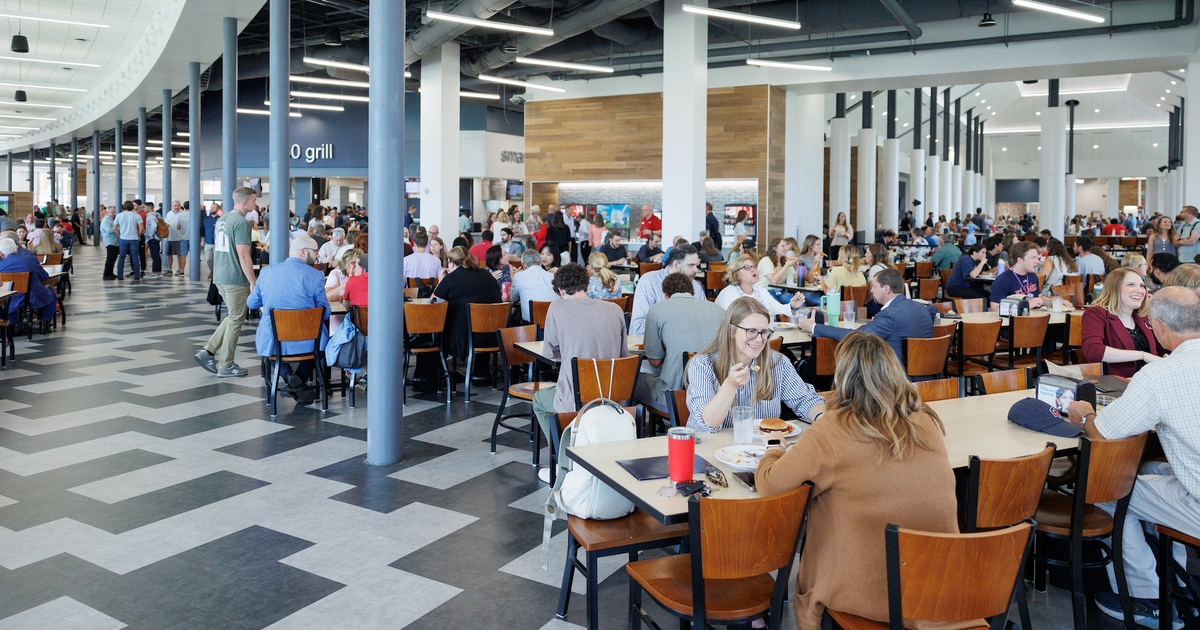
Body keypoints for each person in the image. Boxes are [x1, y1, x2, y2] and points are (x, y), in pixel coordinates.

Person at [756, 331, 958, 630]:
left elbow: (770, 485)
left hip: (865, 594)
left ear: (840, 379)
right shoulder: (925, 420)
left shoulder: (833, 429)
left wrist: (774, 449)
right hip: (940, 589)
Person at [1064, 286, 1200, 630]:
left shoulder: (1160, 375)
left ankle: (1146, 596)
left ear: (1160, 328)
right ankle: (1177, 576)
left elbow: (1103, 434)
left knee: (1106, 488)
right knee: (1152, 467)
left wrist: (1084, 414)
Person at [532, 262, 629, 482]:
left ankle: (565, 463)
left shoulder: (557, 308)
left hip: (577, 399)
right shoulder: (615, 309)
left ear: (561, 290)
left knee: (539, 400)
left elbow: (551, 353)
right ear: (586, 284)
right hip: (613, 397)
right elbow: (623, 355)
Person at [685, 297, 824, 432]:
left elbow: (805, 400)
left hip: (760, 445)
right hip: (711, 445)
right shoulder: (702, 364)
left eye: (764, 332)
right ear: (731, 331)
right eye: (751, 331)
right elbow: (709, 423)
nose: (759, 339)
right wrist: (730, 385)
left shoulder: (778, 363)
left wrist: (822, 418)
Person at [246, 235, 330, 405]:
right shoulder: (316, 276)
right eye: (315, 252)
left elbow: (251, 303)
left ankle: (289, 377)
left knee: (270, 350)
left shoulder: (267, 272)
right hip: (308, 341)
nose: (317, 256)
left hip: (274, 340)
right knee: (319, 348)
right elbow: (325, 313)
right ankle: (297, 383)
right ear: (303, 251)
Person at [636, 272, 726, 414]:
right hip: (717, 396)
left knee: (635, 380)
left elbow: (655, 362)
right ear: (692, 292)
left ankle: (644, 425)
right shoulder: (719, 310)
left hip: (676, 398)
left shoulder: (657, 310)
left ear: (665, 295)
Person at [800, 268, 933, 360]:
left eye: (874, 286)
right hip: (927, 377)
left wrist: (814, 327)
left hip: (893, 381)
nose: (872, 291)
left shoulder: (890, 315)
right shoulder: (921, 308)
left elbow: (855, 336)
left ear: (886, 289)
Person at [194, 187, 258, 378]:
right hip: (234, 277)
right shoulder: (241, 223)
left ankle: (208, 351)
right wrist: (253, 281)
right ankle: (226, 364)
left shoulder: (222, 220)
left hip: (220, 276)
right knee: (237, 319)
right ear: (245, 202)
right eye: (254, 201)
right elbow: (244, 255)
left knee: (233, 316)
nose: (255, 204)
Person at [432, 246, 503, 373]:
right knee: (480, 321)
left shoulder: (452, 278)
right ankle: (481, 374)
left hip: (463, 339)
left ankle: (442, 374)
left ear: (451, 263)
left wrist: (441, 280)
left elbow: (432, 302)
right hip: (493, 335)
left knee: (435, 333)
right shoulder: (487, 275)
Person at [1081, 267, 1162, 377]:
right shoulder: (1096, 313)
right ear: (1114, 288)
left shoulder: (1143, 316)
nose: (1140, 290)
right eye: (1131, 285)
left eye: (1142, 286)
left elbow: (1162, 347)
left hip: (1149, 379)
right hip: (1114, 382)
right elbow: (1092, 350)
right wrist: (1142, 355)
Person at [630, 244, 704, 335]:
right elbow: (637, 329)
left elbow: (703, 320)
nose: (695, 270)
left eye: (696, 265)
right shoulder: (649, 282)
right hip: (657, 343)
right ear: (676, 265)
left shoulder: (695, 286)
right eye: (691, 265)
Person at [715, 252, 805, 318]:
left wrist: (793, 306)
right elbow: (730, 323)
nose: (753, 270)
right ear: (736, 275)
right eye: (747, 267)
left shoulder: (760, 290)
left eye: (754, 266)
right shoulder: (728, 294)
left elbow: (778, 308)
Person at [0, 238, 56, 328]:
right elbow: (44, 276)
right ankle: (45, 322)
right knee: (51, 294)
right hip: (33, 296)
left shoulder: (1, 265)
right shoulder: (31, 260)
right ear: (16, 249)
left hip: (10, 299)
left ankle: (13, 325)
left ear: (1, 254)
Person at [990, 241, 1046, 310]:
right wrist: (1026, 305)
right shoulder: (1002, 281)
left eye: (1037, 257)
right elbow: (995, 309)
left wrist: (1054, 301)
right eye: (1033, 258)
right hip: (1015, 317)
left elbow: (1039, 298)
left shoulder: (1032, 275)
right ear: (1020, 260)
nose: (1037, 261)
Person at [510, 249, 558, 322]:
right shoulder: (552, 276)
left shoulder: (518, 276)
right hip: (554, 322)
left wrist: (513, 279)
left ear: (523, 264)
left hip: (532, 325)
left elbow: (513, 299)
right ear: (541, 263)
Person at [113, 201, 143, 280]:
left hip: (123, 239)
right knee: (135, 257)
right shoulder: (137, 216)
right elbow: (141, 228)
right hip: (134, 239)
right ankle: (137, 275)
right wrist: (138, 235)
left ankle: (120, 275)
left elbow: (114, 227)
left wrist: (119, 234)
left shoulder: (119, 215)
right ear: (132, 207)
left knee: (121, 257)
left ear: (124, 207)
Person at [164, 201, 189, 276]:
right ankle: (169, 269)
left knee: (180, 254)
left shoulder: (183, 214)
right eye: (175, 205)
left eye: (178, 205)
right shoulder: (169, 213)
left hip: (179, 238)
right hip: (169, 237)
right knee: (168, 254)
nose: (177, 207)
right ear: (172, 206)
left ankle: (180, 269)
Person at [144, 203, 164, 276]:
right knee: (156, 255)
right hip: (156, 238)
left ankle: (154, 271)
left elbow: (154, 226)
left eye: (145, 207)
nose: (144, 209)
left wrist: (149, 234)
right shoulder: (155, 215)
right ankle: (158, 270)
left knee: (154, 255)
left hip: (153, 238)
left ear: (149, 207)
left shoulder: (151, 217)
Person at [202, 202, 220, 278]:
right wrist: (202, 240)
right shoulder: (205, 219)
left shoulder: (220, 219)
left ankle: (216, 273)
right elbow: (202, 230)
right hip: (208, 242)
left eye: (214, 208)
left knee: (216, 259)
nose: (212, 209)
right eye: (211, 207)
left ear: (218, 209)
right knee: (208, 259)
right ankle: (212, 270)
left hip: (218, 243)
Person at [100, 206, 118, 280]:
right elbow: (109, 230)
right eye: (112, 212)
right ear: (107, 212)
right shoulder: (105, 221)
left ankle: (110, 273)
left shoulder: (113, 219)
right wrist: (117, 228)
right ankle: (106, 274)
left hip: (115, 241)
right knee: (110, 258)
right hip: (110, 241)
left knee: (113, 258)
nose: (114, 213)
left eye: (114, 212)